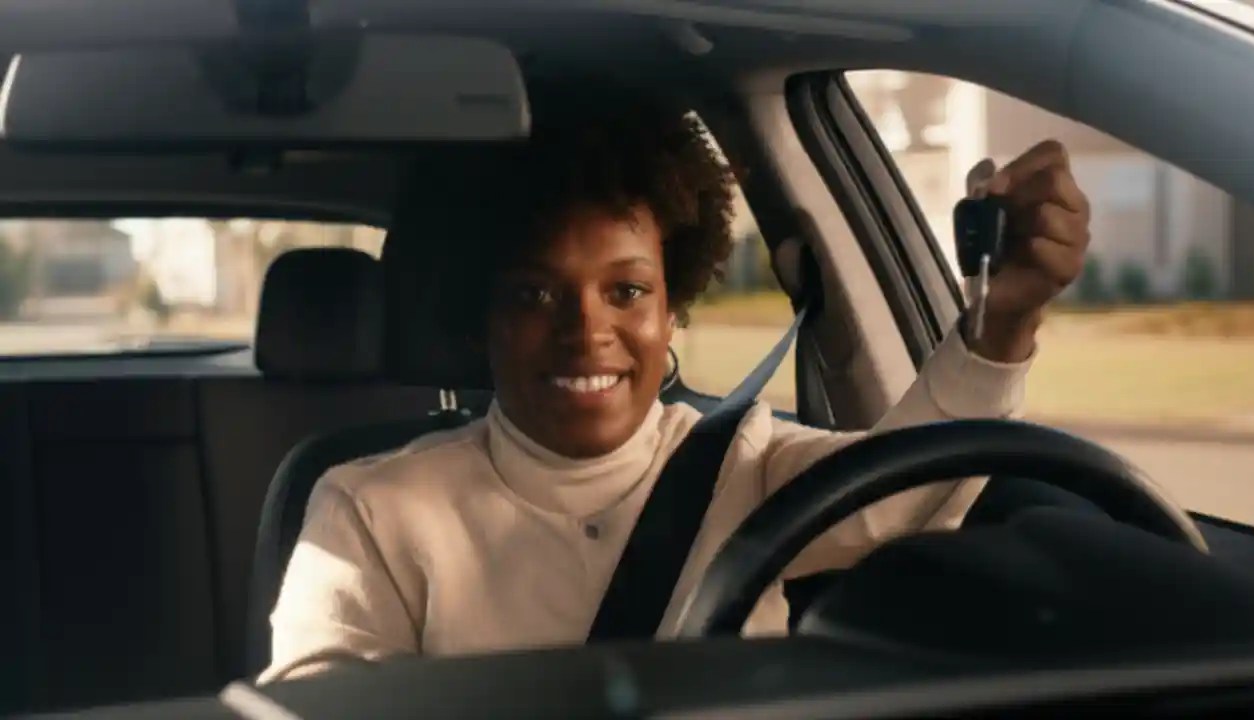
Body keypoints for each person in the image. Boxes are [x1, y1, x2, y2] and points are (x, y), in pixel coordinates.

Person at [259, 85, 1091, 683]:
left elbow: (906, 487)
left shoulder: (748, 465)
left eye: (626, 292)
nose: (587, 330)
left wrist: (1002, 321)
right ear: (480, 317)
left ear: (672, 309)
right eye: (535, 293)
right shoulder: (369, 509)